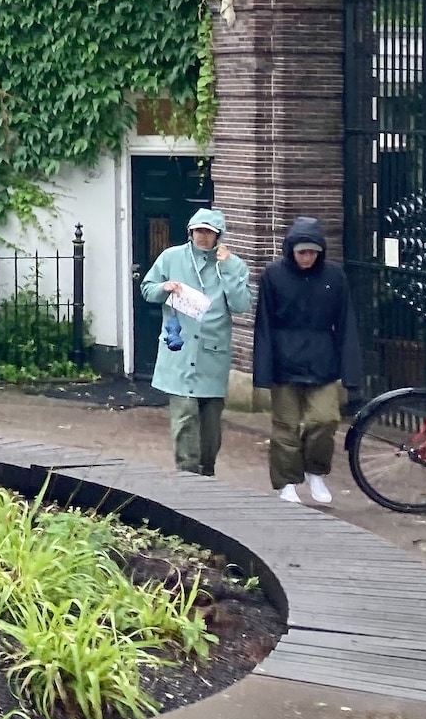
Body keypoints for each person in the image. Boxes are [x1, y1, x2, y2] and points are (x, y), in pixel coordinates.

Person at [251, 215, 361, 505]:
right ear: (291, 250)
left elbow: (346, 322)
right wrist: (263, 371)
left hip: (322, 361)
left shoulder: (335, 276)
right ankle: (286, 482)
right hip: (284, 362)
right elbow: (263, 324)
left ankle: (315, 471)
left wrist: (350, 373)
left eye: (313, 252)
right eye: (302, 252)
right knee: (286, 426)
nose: (307, 257)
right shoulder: (273, 275)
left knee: (326, 419)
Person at [139, 207, 252, 475]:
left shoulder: (232, 264)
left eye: (209, 232)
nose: (203, 236)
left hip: (212, 355)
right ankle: (186, 474)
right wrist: (163, 288)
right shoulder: (171, 257)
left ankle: (207, 471)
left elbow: (241, 304)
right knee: (185, 416)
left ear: (218, 236)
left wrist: (228, 269)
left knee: (210, 425)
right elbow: (147, 289)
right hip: (179, 351)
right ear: (190, 232)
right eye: (199, 230)